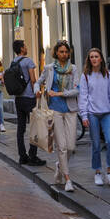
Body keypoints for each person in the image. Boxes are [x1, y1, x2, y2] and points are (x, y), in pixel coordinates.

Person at [40, 40, 80, 192]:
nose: (64, 54)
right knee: (62, 146)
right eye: (61, 51)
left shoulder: (73, 69)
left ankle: (59, 165)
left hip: (70, 109)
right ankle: (67, 179)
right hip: (55, 109)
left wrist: (60, 93)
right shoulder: (49, 69)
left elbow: (77, 90)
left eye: (66, 52)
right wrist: (39, 90)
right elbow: (39, 82)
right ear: (56, 53)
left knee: (71, 146)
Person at [79, 47, 110, 188]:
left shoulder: (107, 75)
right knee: (96, 144)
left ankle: (109, 172)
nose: (94, 59)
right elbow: (83, 97)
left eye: (96, 56)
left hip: (107, 113)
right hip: (92, 114)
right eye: (91, 57)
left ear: (101, 58)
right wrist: (84, 115)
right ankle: (97, 172)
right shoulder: (85, 76)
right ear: (89, 60)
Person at [10, 39, 45, 167]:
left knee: (21, 128)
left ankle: (22, 156)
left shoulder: (13, 62)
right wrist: (38, 92)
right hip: (29, 97)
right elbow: (33, 79)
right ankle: (33, 156)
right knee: (34, 127)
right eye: (25, 46)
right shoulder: (28, 61)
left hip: (18, 98)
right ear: (21, 48)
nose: (26, 47)